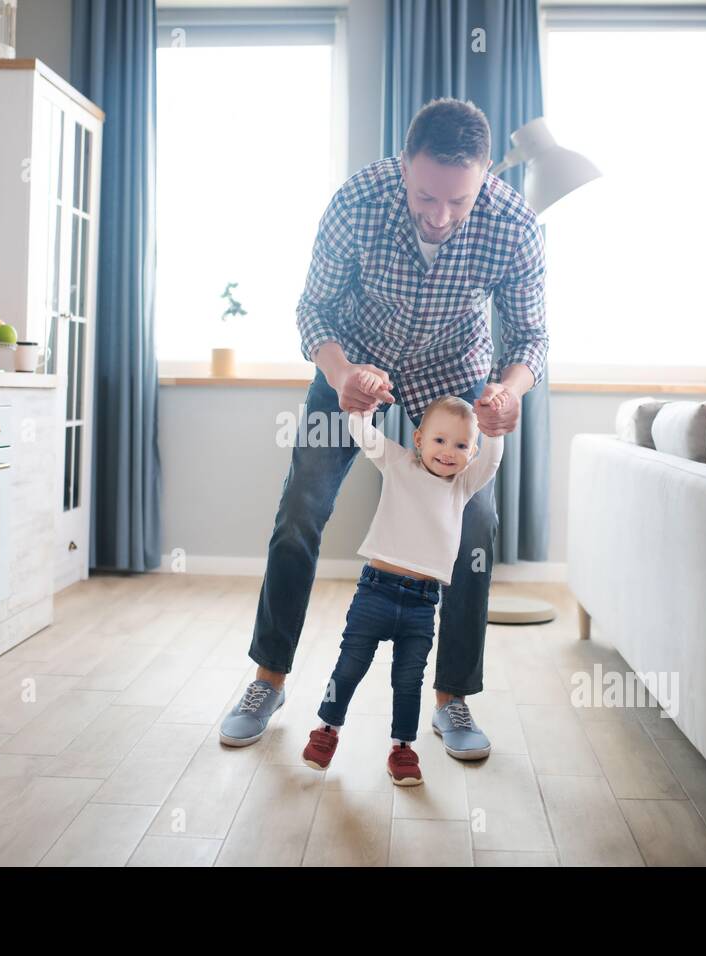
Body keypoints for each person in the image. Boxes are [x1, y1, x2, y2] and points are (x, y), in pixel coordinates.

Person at [220, 97, 547, 761]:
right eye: (427, 195)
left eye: (459, 201)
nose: (440, 216)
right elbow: (313, 308)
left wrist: (509, 394)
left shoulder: (514, 223)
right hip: (354, 365)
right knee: (301, 508)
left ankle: (452, 697)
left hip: (455, 376)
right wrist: (341, 374)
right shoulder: (359, 201)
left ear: (485, 176)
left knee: (474, 525)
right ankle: (268, 679)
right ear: (404, 166)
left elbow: (532, 335)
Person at [300, 380, 505, 785]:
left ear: (472, 454)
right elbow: (363, 433)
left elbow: (493, 461)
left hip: (421, 604)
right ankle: (327, 728)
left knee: (408, 680)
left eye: (461, 446)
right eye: (440, 440)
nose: (448, 452)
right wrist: (364, 404)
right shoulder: (398, 463)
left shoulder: (462, 487)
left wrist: (493, 426)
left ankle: (402, 748)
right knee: (349, 665)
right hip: (375, 590)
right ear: (418, 440)